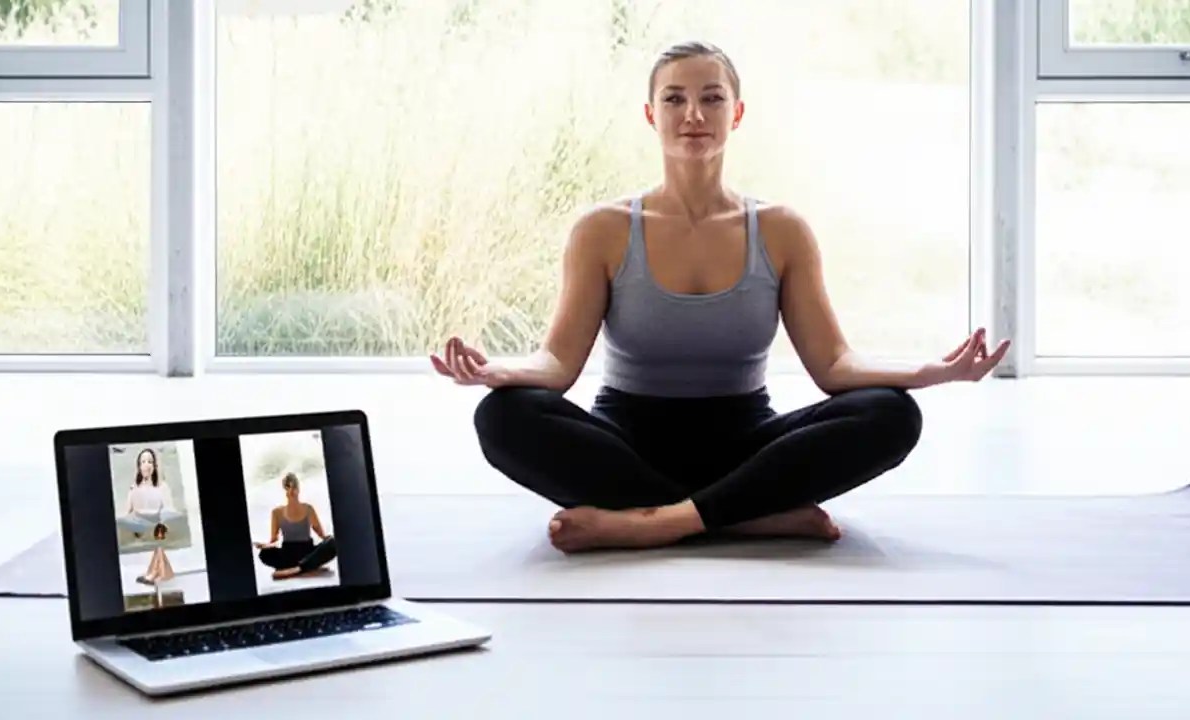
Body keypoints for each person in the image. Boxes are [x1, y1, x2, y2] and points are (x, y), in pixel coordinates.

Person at [431, 40, 1011, 554]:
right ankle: (747, 518)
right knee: (503, 417)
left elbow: (835, 366)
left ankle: (651, 522)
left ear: (736, 114)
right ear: (649, 114)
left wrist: (931, 372)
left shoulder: (781, 229)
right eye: (674, 99)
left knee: (890, 413)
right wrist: (497, 371)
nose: (693, 115)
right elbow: (556, 363)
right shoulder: (602, 229)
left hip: (747, 444)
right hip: (626, 442)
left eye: (711, 99)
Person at [254, 473, 337, 580]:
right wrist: (265, 545)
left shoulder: (308, 509)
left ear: (299, 489)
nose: (292, 491)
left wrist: (330, 541)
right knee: (264, 554)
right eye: (288, 487)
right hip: (287, 554)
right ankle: (306, 567)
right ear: (284, 490)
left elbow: (322, 535)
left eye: (294, 487)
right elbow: (274, 540)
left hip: (307, 552)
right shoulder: (277, 512)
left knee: (333, 543)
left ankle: (298, 569)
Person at [117, 448, 182, 539]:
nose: (146, 465)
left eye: (150, 462)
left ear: (154, 466)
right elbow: (127, 512)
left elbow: (170, 510)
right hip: (139, 522)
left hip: (156, 520)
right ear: (139, 467)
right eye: (143, 462)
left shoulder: (162, 487)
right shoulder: (133, 488)